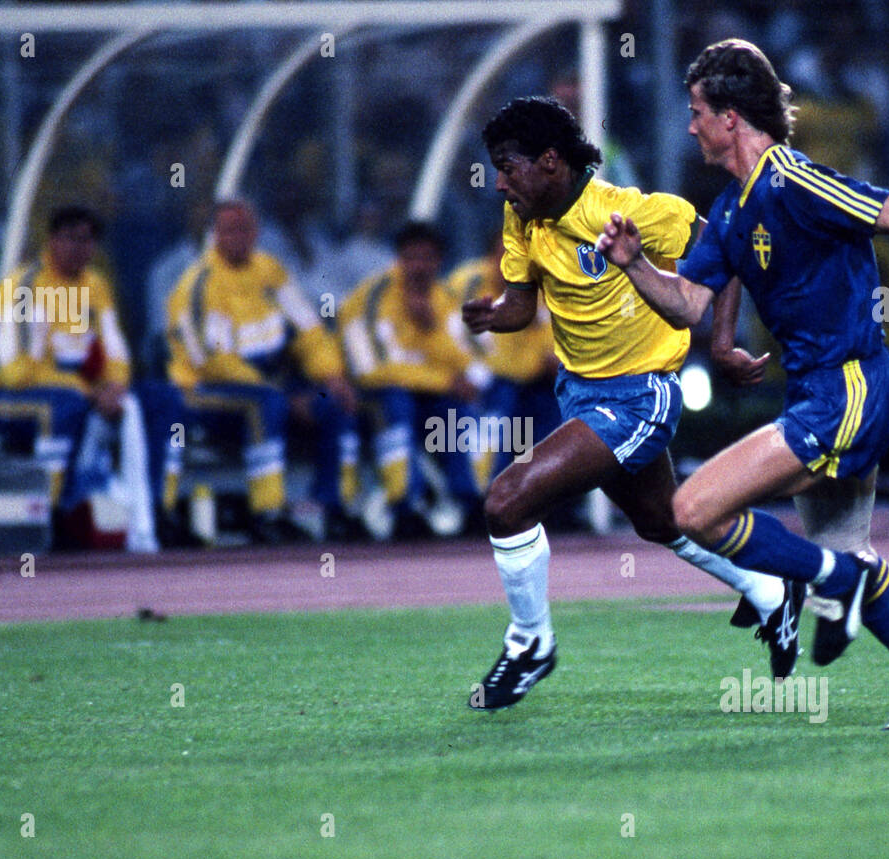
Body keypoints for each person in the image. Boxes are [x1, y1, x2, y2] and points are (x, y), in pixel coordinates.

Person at [595, 39, 889, 729]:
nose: (691, 124)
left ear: (731, 117)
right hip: (817, 394)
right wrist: (635, 265)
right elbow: (692, 308)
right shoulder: (730, 210)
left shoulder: (794, 179)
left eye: (698, 110)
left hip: (849, 388)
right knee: (850, 559)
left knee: (692, 509)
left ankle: (829, 585)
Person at [461, 96, 797, 712]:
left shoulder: (631, 213)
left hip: (641, 396)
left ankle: (530, 643)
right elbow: (520, 305)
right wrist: (492, 317)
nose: (500, 182)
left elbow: (727, 248)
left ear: (551, 161)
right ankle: (772, 587)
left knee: (506, 502)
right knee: (663, 521)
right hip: (581, 394)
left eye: (508, 167)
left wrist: (721, 344)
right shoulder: (524, 218)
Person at [164, 198, 362, 543]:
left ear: (256, 232)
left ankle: (332, 508)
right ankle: (267, 512)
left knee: (336, 401)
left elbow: (309, 330)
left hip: (274, 387)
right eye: (229, 230)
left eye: (245, 229)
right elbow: (211, 360)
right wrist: (283, 396)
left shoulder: (270, 272)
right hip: (205, 393)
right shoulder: (198, 283)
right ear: (215, 235)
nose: (239, 237)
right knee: (263, 404)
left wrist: (332, 374)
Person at [0, 205, 160, 552]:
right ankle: (50, 515)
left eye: (87, 240)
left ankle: (146, 523)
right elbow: (16, 371)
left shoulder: (96, 287)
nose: (78, 247)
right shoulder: (26, 287)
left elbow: (114, 350)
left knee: (142, 402)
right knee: (60, 409)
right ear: (52, 240)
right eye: (70, 238)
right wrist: (87, 391)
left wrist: (113, 386)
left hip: (71, 397)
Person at [339, 221, 490, 538]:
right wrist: (444, 381)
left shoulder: (445, 298)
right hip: (365, 399)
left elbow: (470, 362)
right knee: (396, 402)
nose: (419, 267)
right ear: (398, 259)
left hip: (424, 398)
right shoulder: (372, 298)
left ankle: (469, 501)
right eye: (411, 258)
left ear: (439, 261)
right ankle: (405, 506)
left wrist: (430, 327)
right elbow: (374, 371)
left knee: (457, 408)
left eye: (428, 258)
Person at [446, 232, 560, 486]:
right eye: (503, 256)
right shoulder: (468, 283)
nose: (511, 265)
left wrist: (547, 362)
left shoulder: (538, 287)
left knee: (558, 398)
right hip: (477, 375)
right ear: (490, 258)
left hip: (524, 376)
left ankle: (547, 493)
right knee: (499, 394)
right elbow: (464, 341)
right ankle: (483, 492)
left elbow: (548, 339)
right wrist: (529, 365)